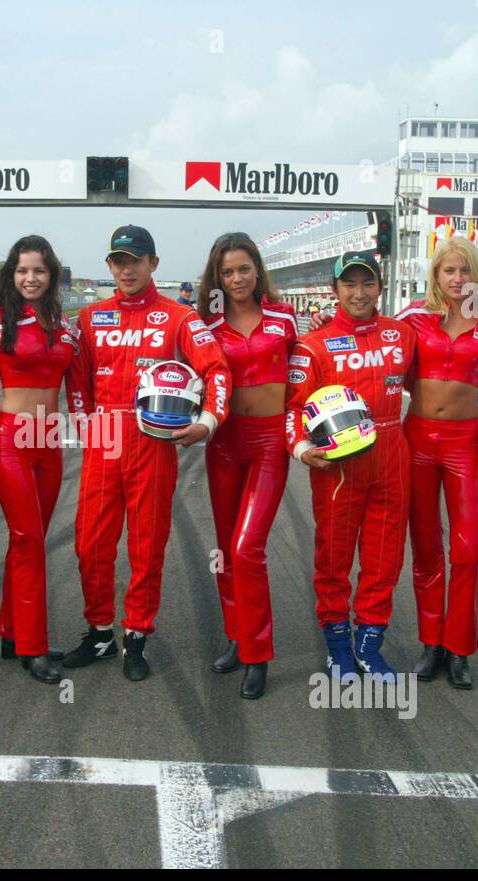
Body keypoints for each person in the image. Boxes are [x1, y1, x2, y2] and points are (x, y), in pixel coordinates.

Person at [63, 225, 231, 681]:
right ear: (110, 266)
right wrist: (85, 425)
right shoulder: (90, 317)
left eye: (135, 260)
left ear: (153, 263)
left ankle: (136, 636)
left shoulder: (179, 317)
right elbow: (76, 379)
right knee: (90, 544)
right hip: (104, 441)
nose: (127, 268)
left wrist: (208, 421)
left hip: (155, 444)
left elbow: (216, 369)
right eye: (118, 261)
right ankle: (99, 631)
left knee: (146, 546)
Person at [285, 251, 414, 683]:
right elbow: (292, 409)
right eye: (349, 285)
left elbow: (442, 382)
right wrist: (302, 450)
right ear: (335, 289)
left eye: (367, 284)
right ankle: (338, 648)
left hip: (392, 454)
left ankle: (369, 647)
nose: (359, 293)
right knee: (334, 559)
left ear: (380, 287)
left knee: (384, 560)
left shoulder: (403, 334)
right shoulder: (313, 344)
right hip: (338, 468)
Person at [0, 235, 87, 685]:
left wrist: (89, 428)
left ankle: (10, 630)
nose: (30, 278)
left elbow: (77, 386)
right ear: (11, 275)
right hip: (10, 441)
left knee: (25, 540)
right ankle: (32, 647)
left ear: (51, 275)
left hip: (50, 441)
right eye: (22, 271)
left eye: (38, 270)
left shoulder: (66, 324)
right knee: (30, 537)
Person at [395, 238, 478, 689]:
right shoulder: (411, 320)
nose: (458, 279)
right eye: (449, 271)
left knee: (468, 551)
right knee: (425, 549)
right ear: (435, 276)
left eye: (465, 270)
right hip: (417, 439)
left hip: (464, 445)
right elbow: (383, 357)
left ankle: (460, 647)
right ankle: (432, 643)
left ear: (477, 274)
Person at [197, 232, 297, 700]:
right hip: (223, 443)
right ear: (216, 277)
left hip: (270, 444)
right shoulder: (204, 326)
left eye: (243, 268)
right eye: (226, 271)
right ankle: (237, 635)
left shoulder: (286, 318)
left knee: (246, 548)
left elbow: (308, 375)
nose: (235, 278)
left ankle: (257, 653)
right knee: (224, 548)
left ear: (258, 269)